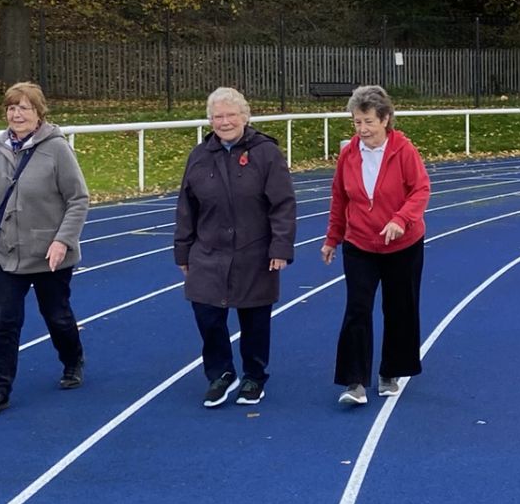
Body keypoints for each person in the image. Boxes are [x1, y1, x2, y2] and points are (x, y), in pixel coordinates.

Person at [0, 82, 91, 415]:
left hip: (49, 255)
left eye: (24, 107)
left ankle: (72, 359)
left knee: (57, 316)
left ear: (39, 113)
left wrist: (62, 240)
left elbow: (78, 199)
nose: (16, 114)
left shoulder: (57, 149)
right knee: (3, 321)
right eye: (11, 107)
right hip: (6, 255)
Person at [174, 87, 297, 406]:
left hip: (254, 251)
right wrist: (183, 250)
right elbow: (186, 207)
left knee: (255, 318)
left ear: (245, 116)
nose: (224, 121)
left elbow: (283, 203)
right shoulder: (199, 156)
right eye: (218, 116)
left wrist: (280, 246)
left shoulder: (266, 153)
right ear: (209, 120)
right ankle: (221, 374)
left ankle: (254, 376)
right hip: (208, 251)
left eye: (231, 115)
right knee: (206, 312)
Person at [320, 84, 431, 406]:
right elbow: (339, 198)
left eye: (368, 121)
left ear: (385, 119)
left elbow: (420, 190)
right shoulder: (348, 154)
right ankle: (354, 381)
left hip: (403, 244)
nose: (362, 129)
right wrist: (332, 238)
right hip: (360, 243)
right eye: (357, 122)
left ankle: (391, 371)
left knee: (400, 308)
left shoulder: (404, 150)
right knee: (357, 309)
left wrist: (400, 219)